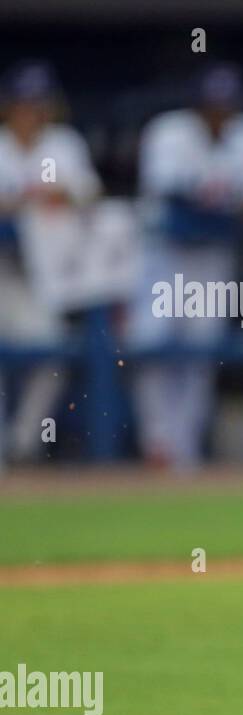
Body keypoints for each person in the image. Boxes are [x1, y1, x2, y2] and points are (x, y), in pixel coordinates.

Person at [129, 63, 243, 470]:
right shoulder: (169, 131)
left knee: (200, 351)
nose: (220, 113)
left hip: (214, 256)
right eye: (212, 105)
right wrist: (236, 201)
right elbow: (172, 194)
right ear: (197, 104)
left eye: (227, 105)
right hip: (165, 255)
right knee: (153, 341)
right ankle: (156, 440)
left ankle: (182, 450)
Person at [0, 61, 102, 467]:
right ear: (8, 106)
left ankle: (23, 443)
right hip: (3, 271)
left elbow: (89, 195)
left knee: (52, 349)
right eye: (25, 103)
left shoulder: (63, 144)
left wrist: (53, 197)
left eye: (40, 103)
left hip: (39, 279)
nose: (33, 112)